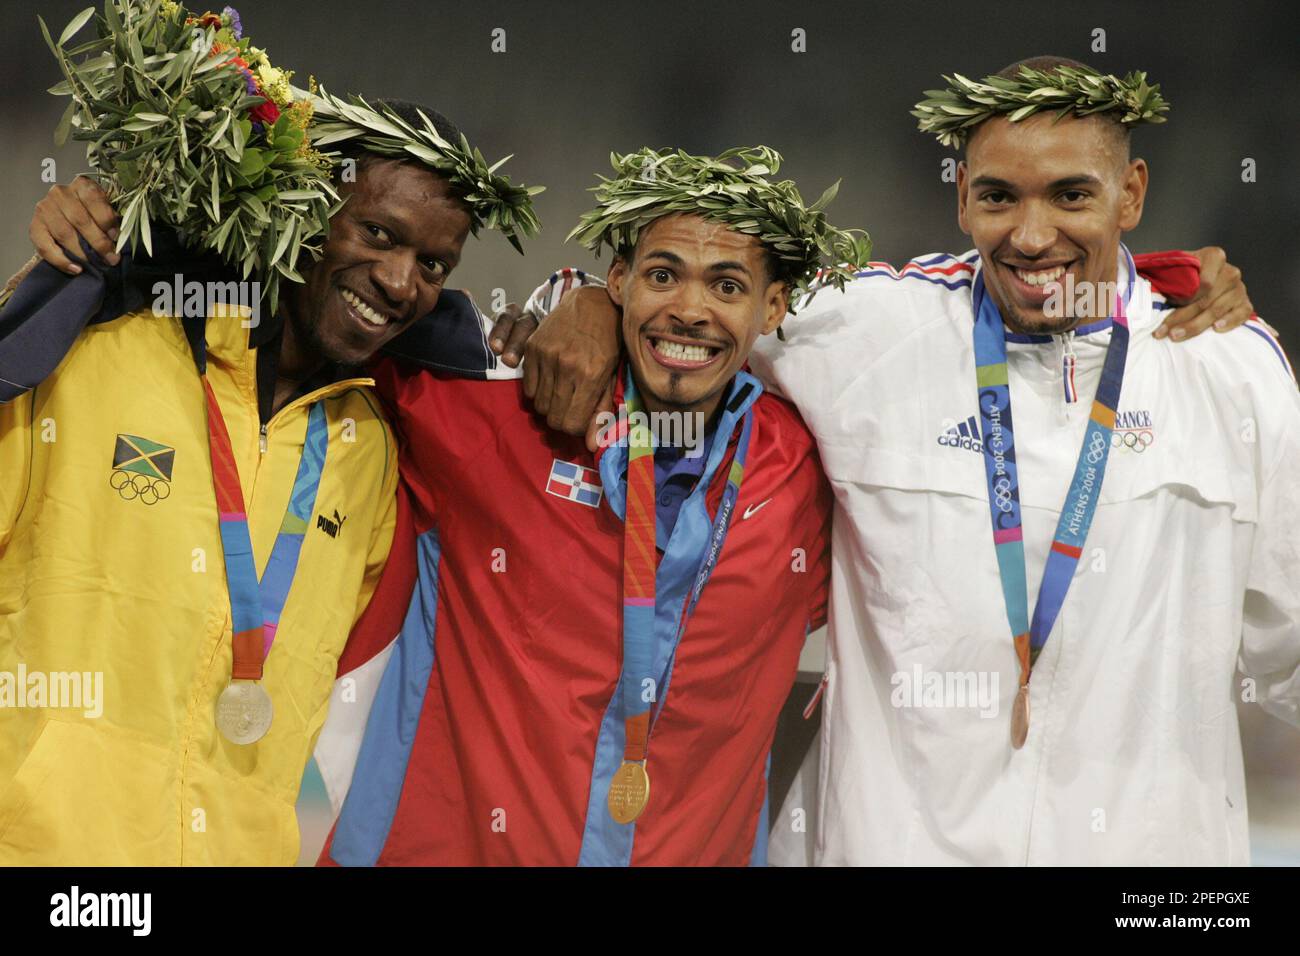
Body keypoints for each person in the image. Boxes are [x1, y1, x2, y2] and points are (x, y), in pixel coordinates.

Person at [498, 58, 1292, 865]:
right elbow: (688, 313)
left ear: (1132, 194)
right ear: (961, 198)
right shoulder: (867, 330)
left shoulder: (1232, 367)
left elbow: (1289, 650)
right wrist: (588, 300)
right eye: (998, 196)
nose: (1030, 234)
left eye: (1071, 194)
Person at [0, 89, 539, 864]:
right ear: (300, 207)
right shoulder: (95, 357)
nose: (399, 281)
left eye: (433, 264)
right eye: (377, 233)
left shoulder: (367, 452)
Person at [312, 147, 865, 865]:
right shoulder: (499, 407)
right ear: (620, 281)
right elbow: (336, 300)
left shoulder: (810, 475)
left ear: (774, 307)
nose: (689, 310)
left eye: (727, 286)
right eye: (662, 276)